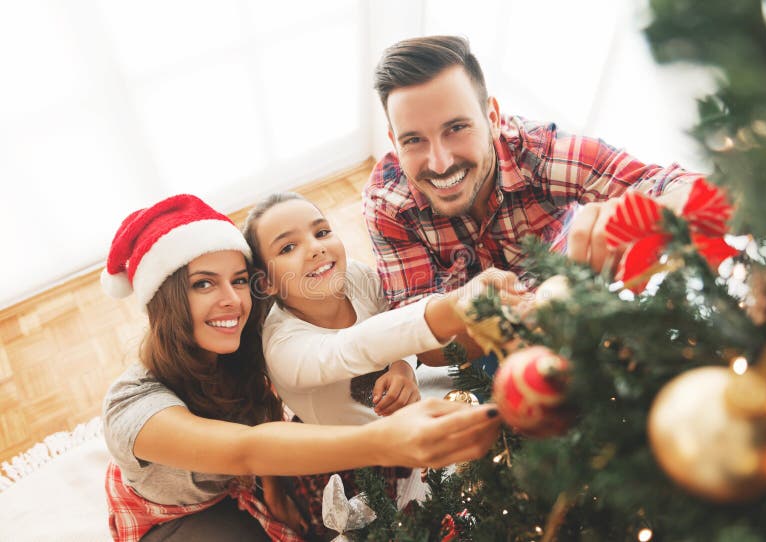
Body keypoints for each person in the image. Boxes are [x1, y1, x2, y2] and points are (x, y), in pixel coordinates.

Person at [100, 194, 502, 542]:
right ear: (164, 299)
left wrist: (273, 486)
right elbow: (243, 449)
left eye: (238, 281)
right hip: (183, 512)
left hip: (255, 471)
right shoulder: (130, 406)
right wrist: (386, 441)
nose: (231, 300)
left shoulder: (243, 339)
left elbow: (265, 416)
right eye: (203, 284)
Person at [363, 35, 704, 365]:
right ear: (394, 141)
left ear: (492, 118)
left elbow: (696, 190)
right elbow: (420, 341)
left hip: (576, 312)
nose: (440, 164)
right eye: (413, 140)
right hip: (474, 344)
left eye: (456, 128)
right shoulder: (387, 203)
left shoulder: (544, 155)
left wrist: (645, 215)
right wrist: (504, 322)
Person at [242, 191, 522, 426]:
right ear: (266, 282)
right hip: (369, 459)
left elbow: (393, 319)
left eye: (322, 232)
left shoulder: (356, 275)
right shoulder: (283, 348)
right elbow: (355, 346)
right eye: (288, 247)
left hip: (419, 409)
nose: (316, 248)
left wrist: (402, 366)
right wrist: (451, 306)